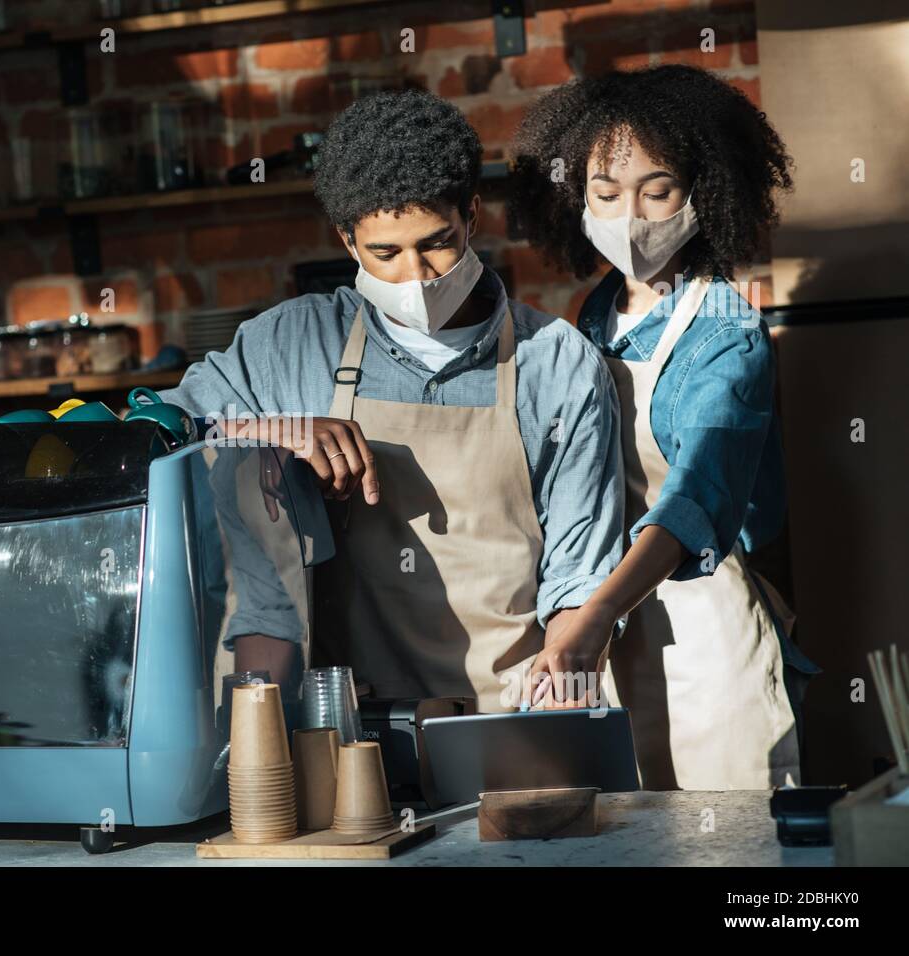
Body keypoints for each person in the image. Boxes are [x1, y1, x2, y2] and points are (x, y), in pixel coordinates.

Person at [158, 88, 624, 711]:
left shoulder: (556, 361)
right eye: (385, 253)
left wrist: (562, 685)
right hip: (346, 726)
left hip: (506, 711)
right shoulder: (293, 343)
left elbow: (580, 577)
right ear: (347, 242)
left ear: (473, 216)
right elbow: (152, 436)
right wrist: (271, 430)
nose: (417, 275)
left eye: (437, 242)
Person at [508, 64, 820, 789]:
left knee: (728, 841)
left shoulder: (727, 329)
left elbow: (698, 499)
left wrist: (597, 612)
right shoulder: (592, 315)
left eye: (659, 191)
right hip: (607, 619)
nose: (632, 216)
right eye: (606, 193)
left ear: (702, 192)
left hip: (699, 617)